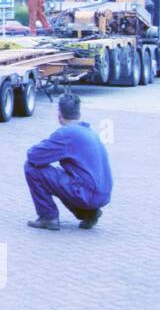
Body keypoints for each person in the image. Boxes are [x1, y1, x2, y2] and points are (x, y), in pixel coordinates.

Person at [23, 92, 112, 230]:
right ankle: (89, 213)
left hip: (86, 194)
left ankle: (48, 217)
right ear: (78, 114)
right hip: (102, 194)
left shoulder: (66, 134)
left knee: (31, 168)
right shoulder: (90, 132)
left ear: (59, 114)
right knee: (66, 178)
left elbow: (33, 156)